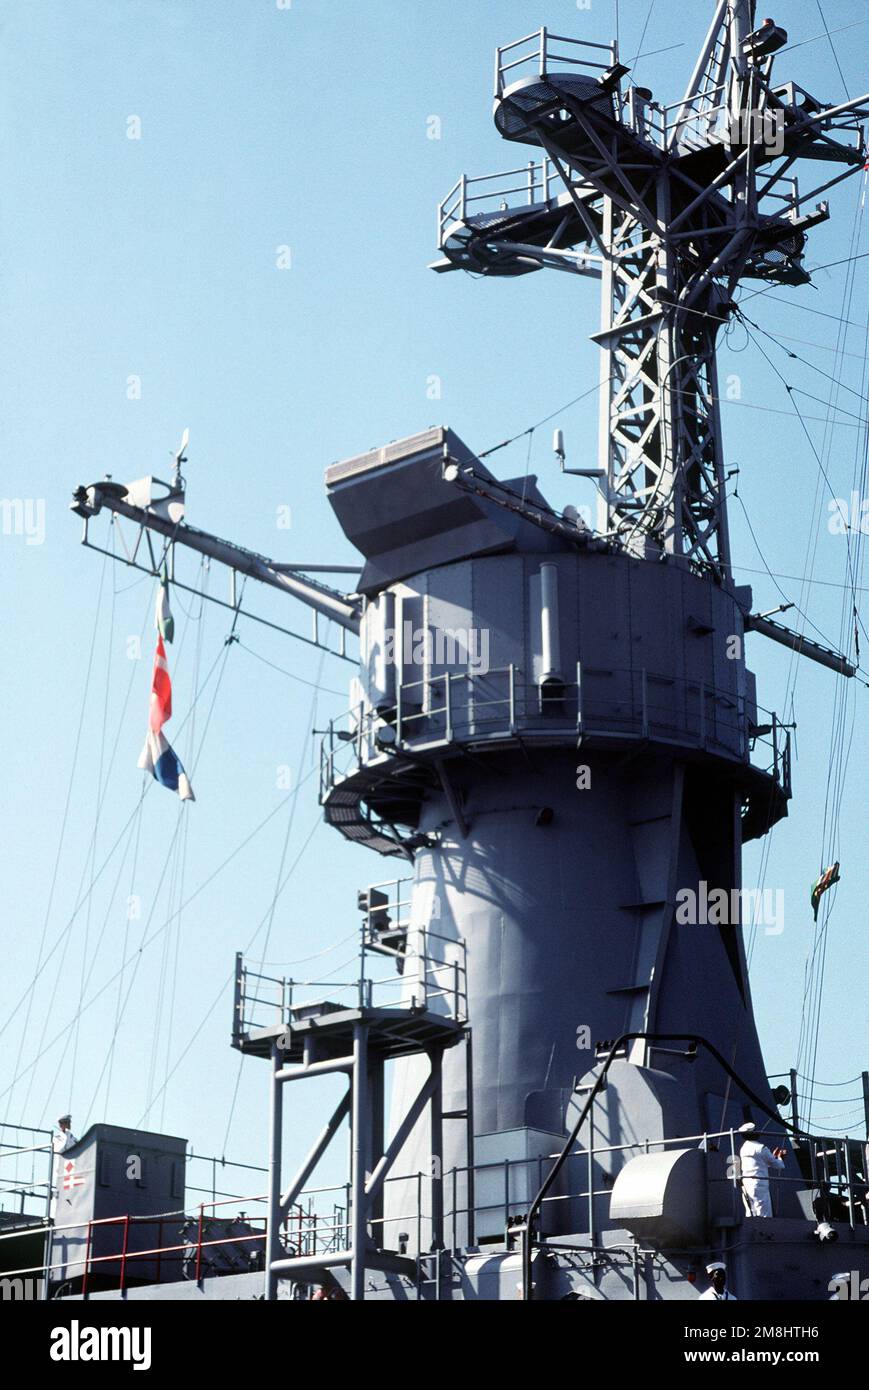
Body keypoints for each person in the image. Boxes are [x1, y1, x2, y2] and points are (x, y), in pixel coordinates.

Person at [738, 1121, 786, 1218]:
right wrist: (780, 1157)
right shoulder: (760, 1148)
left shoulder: (744, 1148)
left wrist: (772, 1157)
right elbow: (777, 1165)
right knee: (764, 1214)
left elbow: (758, 1163)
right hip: (759, 1184)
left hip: (747, 1183)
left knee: (750, 1212)